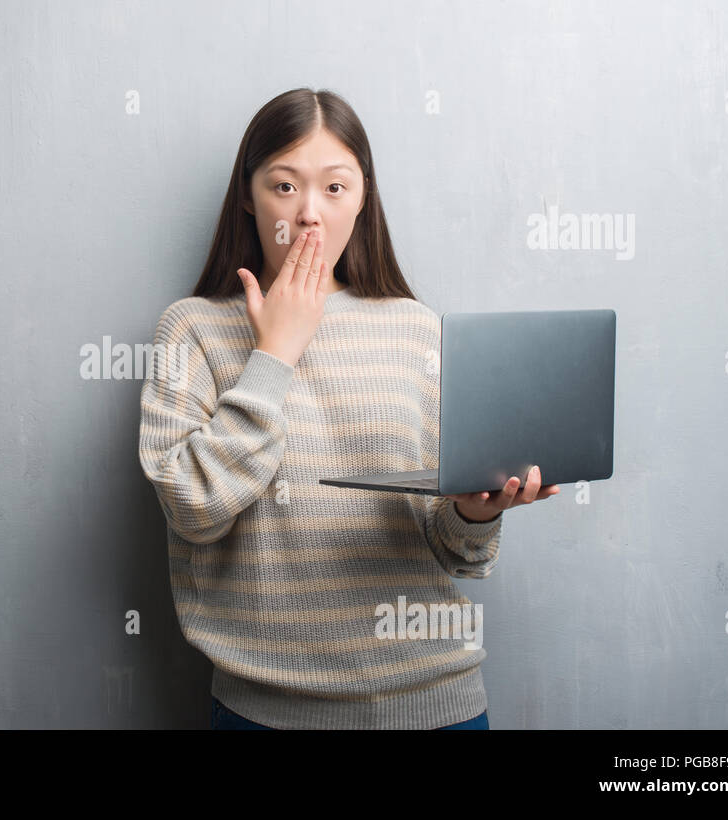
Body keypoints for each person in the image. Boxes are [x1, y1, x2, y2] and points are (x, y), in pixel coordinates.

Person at [137, 88, 558, 730]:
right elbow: (193, 508)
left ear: (362, 199)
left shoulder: (416, 330)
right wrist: (274, 354)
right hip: (266, 713)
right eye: (284, 185)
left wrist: (475, 511)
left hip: (437, 705)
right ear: (247, 195)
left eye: (335, 188)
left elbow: (455, 554)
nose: (309, 213)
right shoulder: (191, 331)